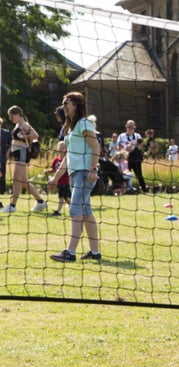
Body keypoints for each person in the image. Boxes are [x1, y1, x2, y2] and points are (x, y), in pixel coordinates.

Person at [50, 92, 103, 262]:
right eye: (63, 102)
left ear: (76, 105)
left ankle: (70, 253)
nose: (63, 106)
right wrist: (55, 178)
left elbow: (96, 147)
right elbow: (68, 157)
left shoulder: (84, 123)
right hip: (75, 174)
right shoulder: (72, 127)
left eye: (67, 103)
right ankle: (95, 252)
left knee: (75, 210)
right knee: (86, 212)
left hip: (84, 173)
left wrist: (93, 169)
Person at [3, 105, 48, 213]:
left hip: (22, 153)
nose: (10, 118)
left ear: (17, 114)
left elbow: (36, 135)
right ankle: (41, 202)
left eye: (11, 116)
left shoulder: (24, 124)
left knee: (16, 180)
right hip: (18, 153)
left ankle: (12, 205)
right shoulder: (18, 124)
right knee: (23, 182)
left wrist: (24, 136)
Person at [117, 119, 147, 193]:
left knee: (139, 175)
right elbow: (119, 147)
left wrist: (136, 145)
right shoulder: (121, 136)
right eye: (129, 127)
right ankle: (126, 190)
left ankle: (144, 190)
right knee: (126, 174)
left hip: (136, 158)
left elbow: (141, 146)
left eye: (132, 127)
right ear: (126, 126)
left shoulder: (137, 135)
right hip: (126, 158)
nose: (130, 129)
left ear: (134, 127)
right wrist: (125, 149)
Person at [49, 141, 70, 216]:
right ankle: (75, 207)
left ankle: (58, 211)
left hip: (66, 182)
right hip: (58, 182)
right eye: (60, 147)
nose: (61, 148)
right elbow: (54, 169)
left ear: (67, 149)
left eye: (63, 147)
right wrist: (48, 171)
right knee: (66, 197)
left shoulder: (67, 160)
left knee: (62, 197)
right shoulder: (56, 160)